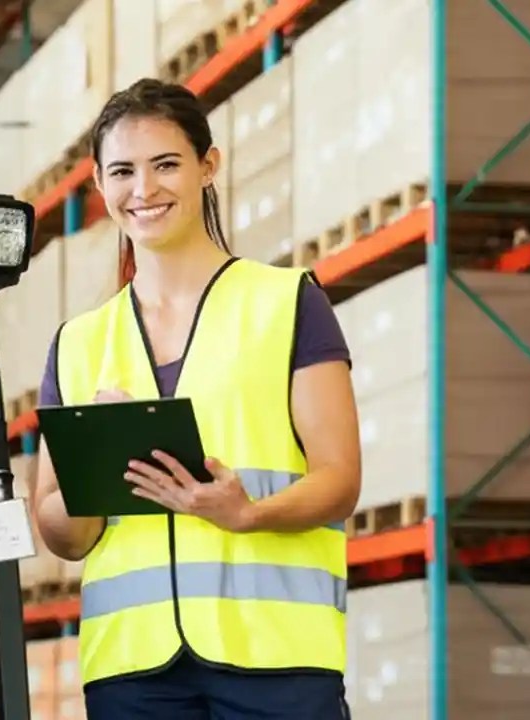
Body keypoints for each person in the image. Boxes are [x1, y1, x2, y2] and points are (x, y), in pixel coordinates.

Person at [32, 78, 361, 719]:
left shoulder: (287, 303)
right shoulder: (77, 343)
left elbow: (341, 477)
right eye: (123, 171)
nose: (144, 189)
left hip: (277, 661)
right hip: (133, 671)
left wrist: (250, 514)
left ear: (208, 166)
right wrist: (90, 458)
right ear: (100, 184)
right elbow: (63, 535)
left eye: (166, 165)